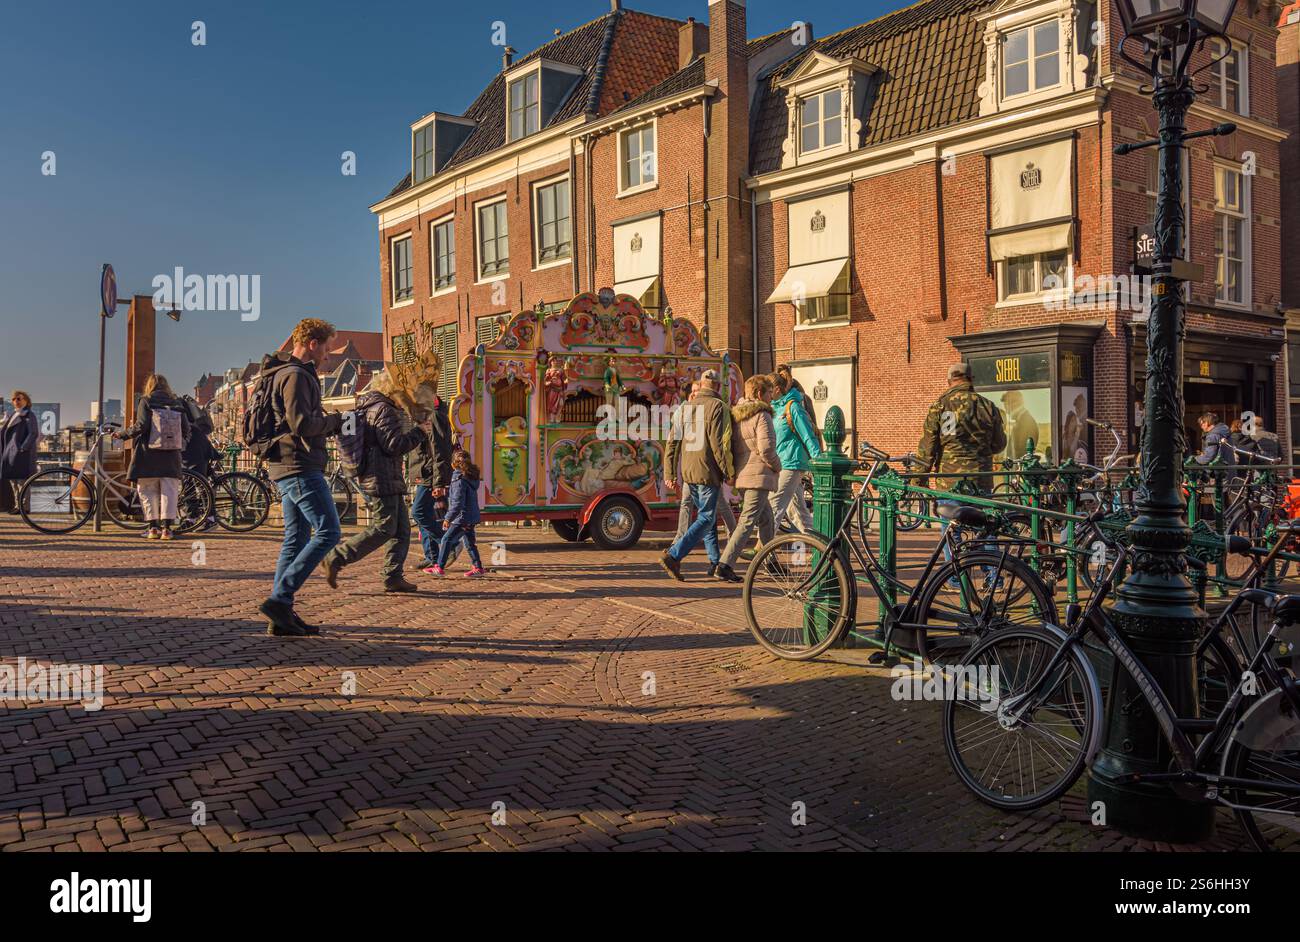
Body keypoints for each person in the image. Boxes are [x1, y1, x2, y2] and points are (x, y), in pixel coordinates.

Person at [260, 318, 346, 637]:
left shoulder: (288, 373)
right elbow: (300, 424)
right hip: (298, 465)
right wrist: (334, 422)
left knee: (295, 538)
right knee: (329, 530)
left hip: (286, 465)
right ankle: (280, 600)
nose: (327, 355)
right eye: (325, 347)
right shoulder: (296, 376)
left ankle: (281, 616)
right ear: (313, 344)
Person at [321, 379, 427, 593]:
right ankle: (336, 558)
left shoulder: (369, 407)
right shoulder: (384, 410)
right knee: (383, 527)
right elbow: (394, 445)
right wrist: (420, 432)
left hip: (383, 476)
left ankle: (393, 576)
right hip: (382, 477)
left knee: (401, 530)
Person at [660, 368, 733, 580]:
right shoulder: (718, 407)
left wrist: (670, 472)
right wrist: (728, 471)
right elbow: (720, 444)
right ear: (718, 386)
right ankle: (674, 555)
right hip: (707, 470)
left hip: (688, 470)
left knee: (705, 516)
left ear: (700, 386)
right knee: (707, 517)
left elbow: (672, 444)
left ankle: (714, 561)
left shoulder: (684, 409)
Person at [714, 374, 781, 583]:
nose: (771, 396)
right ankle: (725, 565)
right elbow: (767, 448)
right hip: (758, 476)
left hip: (744, 477)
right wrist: (777, 466)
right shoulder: (762, 415)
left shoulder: (737, 416)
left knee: (767, 520)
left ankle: (771, 563)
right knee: (748, 521)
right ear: (760, 393)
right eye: (769, 392)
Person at [113, 374, 191, 540]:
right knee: (169, 492)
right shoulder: (177, 403)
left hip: (148, 455)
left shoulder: (146, 401)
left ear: (149, 386)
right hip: (171, 456)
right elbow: (186, 428)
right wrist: (179, 445)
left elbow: (141, 426)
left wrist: (122, 435)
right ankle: (167, 530)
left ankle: (153, 529)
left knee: (148, 492)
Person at [916, 362, 1007, 493]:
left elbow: (927, 448)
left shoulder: (940, 405)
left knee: (950, 513)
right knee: (980, 513)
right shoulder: (989, 406)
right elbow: (999, 445)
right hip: (980, 480)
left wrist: (918, 480)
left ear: (949, 381)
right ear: (971, 379)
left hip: (949, 480)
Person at [671, 381, 737, 554]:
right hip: (696, 471)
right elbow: (674, 443)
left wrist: (724, 470)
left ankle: (716, 558)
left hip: (705, 470)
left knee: (712, 513)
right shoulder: (685, 410)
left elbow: (715, 444)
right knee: (706, 516)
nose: (694, 394)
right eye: (692, 391)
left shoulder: (708, 409)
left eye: (697, 391)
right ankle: (676, 551)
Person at [769, 371, 821, 535]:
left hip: (792, 462)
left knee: (774, 504)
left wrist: (819, 462)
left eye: (768, 390)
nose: (766, 393)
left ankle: (762, 550)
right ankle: (823, 546)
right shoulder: (774, 409)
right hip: (781, 463)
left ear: (777, 389)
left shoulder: (794, 407)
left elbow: (808, 436)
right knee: (797, 513)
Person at [409, 394, 453, 570]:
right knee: (425, 515)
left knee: (418, 512)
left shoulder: (434, 416)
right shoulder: (425, 415)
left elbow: (440, 450)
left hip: (429, 474)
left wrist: (439, 482)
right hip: (423, 472)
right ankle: (433, 556)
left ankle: (448, 543)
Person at [429, 450, 486, 577]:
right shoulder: (469, 476)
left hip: (462, 517)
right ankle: (478, 567)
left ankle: (439, 567)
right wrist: (444, 492)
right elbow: (460, 493)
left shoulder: (458, 478)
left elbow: (457, 502)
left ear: (453, 464)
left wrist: (448, 518)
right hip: (471, 516)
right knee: (470, 543)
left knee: (446, 539)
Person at [0, 390, 40, 513]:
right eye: (14, 399)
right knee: (13, 481)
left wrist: (23, 448)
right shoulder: (14, 415)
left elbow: (33, 433)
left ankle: (24, 507)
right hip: (10, 453)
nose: (16, 401)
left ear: (26, 401)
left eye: (19, 399)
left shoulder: (29, 415)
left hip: (22, 454)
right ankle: (18, 506)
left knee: (23, 481)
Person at [1001, 389, 1040, 458]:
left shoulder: (1026, 421)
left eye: (1006, 404)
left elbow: (1023, 451)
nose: (1005, 407)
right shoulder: (1020, 419)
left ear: (1014, 403)